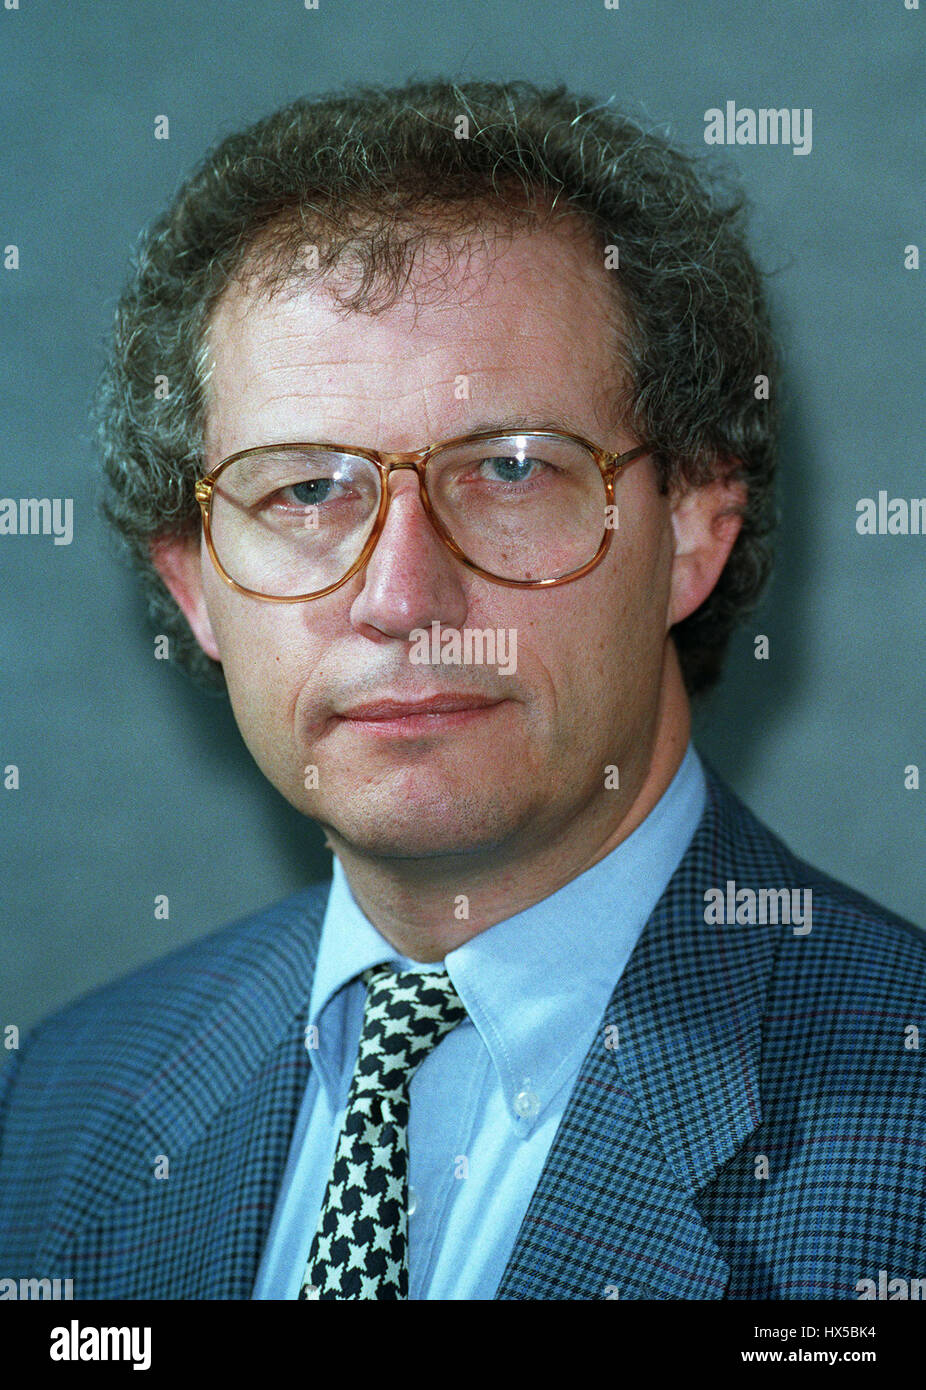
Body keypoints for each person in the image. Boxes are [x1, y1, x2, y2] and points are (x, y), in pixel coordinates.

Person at [1, 77, 924, 1302]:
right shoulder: (59, 1101)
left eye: (506, 469)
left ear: (693, 531)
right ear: (194, 587)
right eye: (303, 491)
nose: (397, 595)